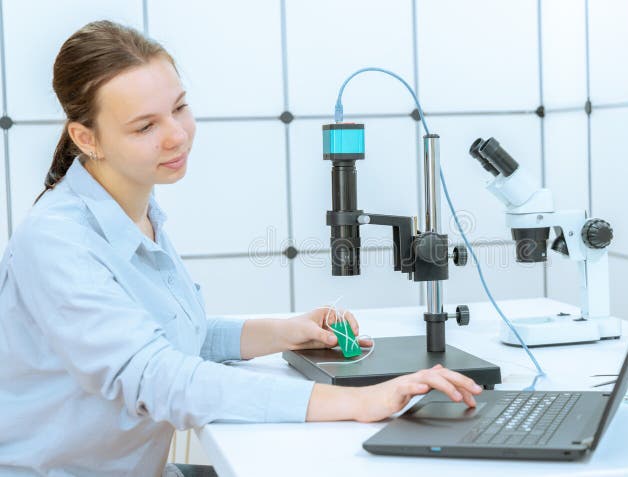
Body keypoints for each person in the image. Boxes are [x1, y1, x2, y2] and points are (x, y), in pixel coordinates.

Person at [0, 20, 482, 477]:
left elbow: (169, 335)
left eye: (179, 108)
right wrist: (359, 402)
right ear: (87, 138)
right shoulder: (57, 240)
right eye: (145, 126)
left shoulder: (137, 210)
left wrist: (284, 332)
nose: (176, 134)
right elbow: (155, 375)